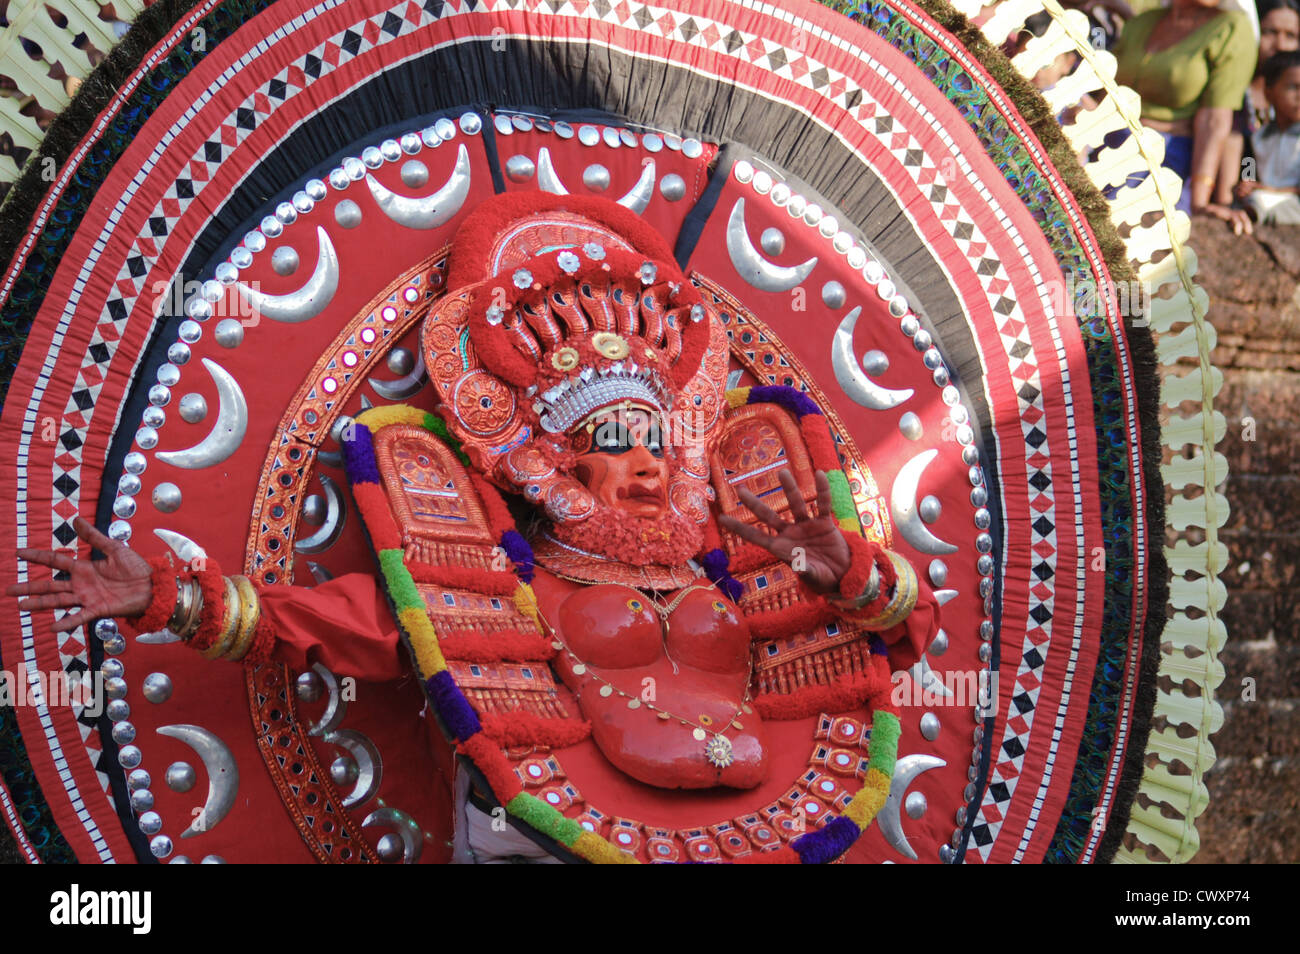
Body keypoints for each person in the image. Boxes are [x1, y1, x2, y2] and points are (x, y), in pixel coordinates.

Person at [8, 194, 939, 799]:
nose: (648, 461)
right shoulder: (510, 584)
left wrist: (846, 569)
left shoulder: (741, 564)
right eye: (615, 439)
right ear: (560, 463)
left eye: (659, 437)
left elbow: (903, 637)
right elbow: (353, 626)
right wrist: (170, 597)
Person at [1114, 0, 1258, 232]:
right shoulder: (1144, 21)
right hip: (1105, 138)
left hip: (1162, 154)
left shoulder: (1231, 28)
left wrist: (1199, 202)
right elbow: (1104, 85)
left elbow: (1214, 120)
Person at [1217, 0, 1300, 207]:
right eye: (1270, 32)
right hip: (1256, 198)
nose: (1280, 44)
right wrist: (1248, 181)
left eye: (1290, 35)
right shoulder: (1231, 90)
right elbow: (1249, 160)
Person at [1235, 49, 1300, 222]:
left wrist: (1271, 190)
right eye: (1294, 87)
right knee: (1254, 200)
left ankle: (1256, 214)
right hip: (1262, 196)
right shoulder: (1257, 138)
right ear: (1268, 92)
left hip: (1289, 200)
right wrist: (1246, 185)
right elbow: (1248, 168)